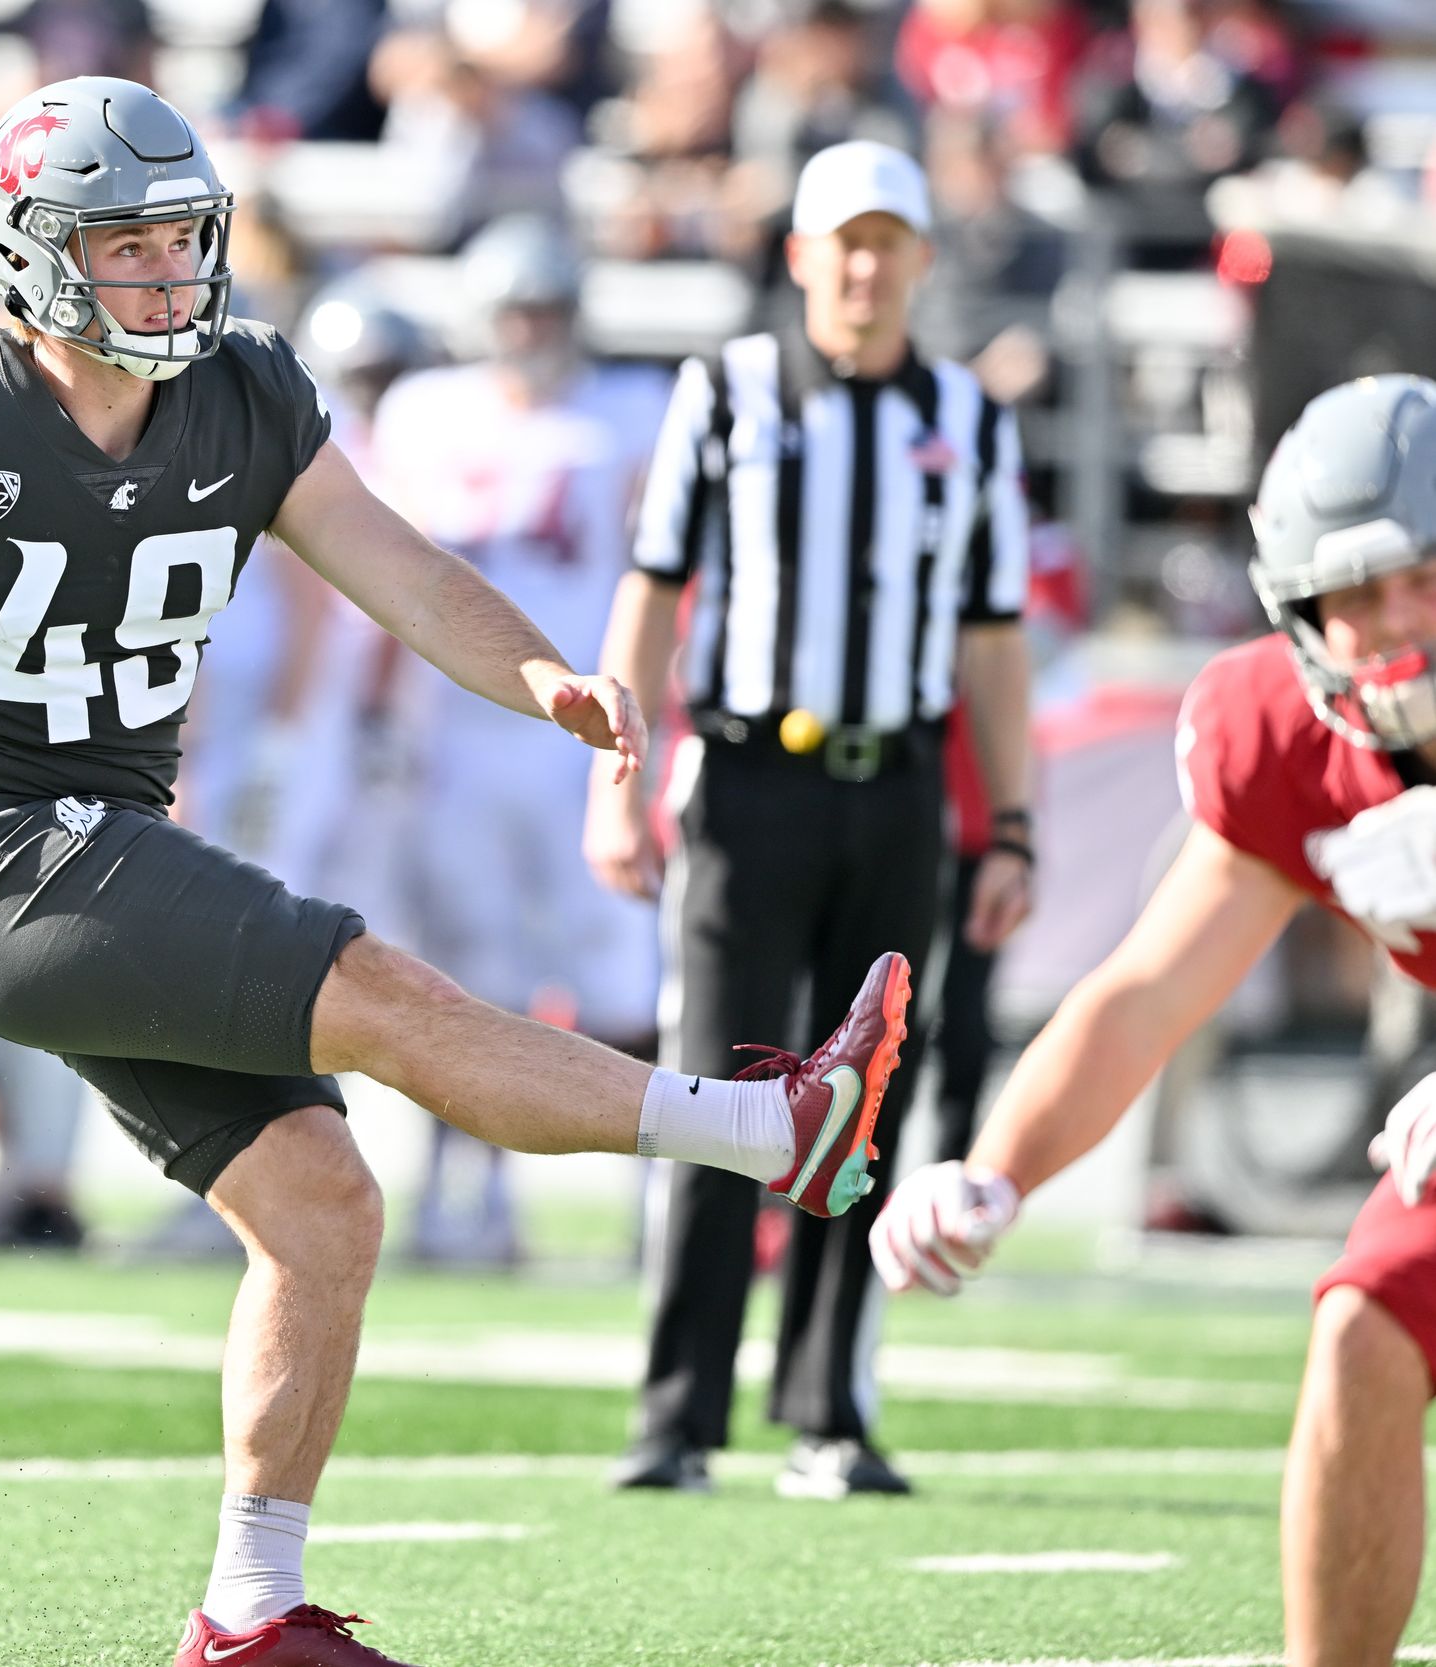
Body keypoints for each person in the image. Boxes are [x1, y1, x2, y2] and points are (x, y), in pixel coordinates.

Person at [0, 77, 914, 1666]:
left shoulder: (242, 394)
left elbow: (401, 565)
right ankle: (770, 1126)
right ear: (35, 256)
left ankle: (250, 1608)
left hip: (118, 844)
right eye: (127, 245)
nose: (167, 275)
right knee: (383, 993)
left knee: (323, 1202)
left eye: (179, 239)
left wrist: (543, 675)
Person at [869, 373, 1436, 1667]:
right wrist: (997, 1170)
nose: (1398, 622)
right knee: (1369, 1321)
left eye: (1427, 576)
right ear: (1300, 612)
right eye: (1358, 594)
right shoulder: (1283, 733)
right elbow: (1151, 989)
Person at [585, 139, 1035, 1499]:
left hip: (896, 784)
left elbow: (994, 640)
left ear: (919, 259)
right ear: (799, 255)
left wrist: (1008, 823)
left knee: (866, 1106)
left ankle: (830, 1402)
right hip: (748, 780)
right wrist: (618, 774)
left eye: (888, 239)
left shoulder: (968, 417)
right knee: (717, 1087)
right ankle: (678, 1412)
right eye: (842, 239)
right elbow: (657, 587)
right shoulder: (723, 392)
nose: (862, 263)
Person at [370, 213, 668, 1265]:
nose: (532, 329)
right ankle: (471, 1199)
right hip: (456, 733)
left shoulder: (628, 413)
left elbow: (672, 578)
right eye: (514, 310)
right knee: (466, 973)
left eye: (547, 309)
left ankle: (656, 1204)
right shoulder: (425, 414)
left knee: (619, 969)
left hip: (584, 737)